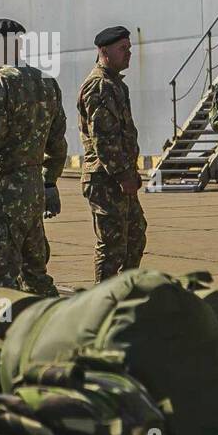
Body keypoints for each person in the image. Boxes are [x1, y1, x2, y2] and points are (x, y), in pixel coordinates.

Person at [0, 19, 67, 296]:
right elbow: (57, 142)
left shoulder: (0, 82)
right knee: (35, 271)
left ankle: (4, 331)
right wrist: (49, 182)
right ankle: (50, 324)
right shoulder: (47, 82)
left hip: (4, 191)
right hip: (33, 190)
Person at [77, 25, 146, 283]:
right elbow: (104, 138)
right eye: (123, 49)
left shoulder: (116, 84)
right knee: (112, 246)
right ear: (104, 51)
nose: (129, 54)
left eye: (129, 49)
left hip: (119, 176)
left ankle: (124, 291)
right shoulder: (99, 85)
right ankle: (102, 300)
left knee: (135, 235)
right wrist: (122, 174)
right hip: (105, 179)